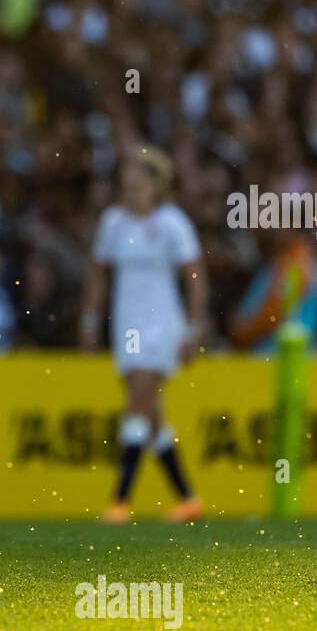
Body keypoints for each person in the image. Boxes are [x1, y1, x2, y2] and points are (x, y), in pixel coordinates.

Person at [80, 145, 207, 524]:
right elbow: (98, 275)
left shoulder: (172, 222)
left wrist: (195, 325)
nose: (132, 188)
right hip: (127, 322)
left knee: (138, 399)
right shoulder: (113, 222)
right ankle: (188, 499)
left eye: (140, 182)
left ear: (156, 185)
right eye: (128, 183)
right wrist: (89, 321)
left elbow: (195, 276)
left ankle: (119, 499)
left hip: (163, 321)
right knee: (151, 416)